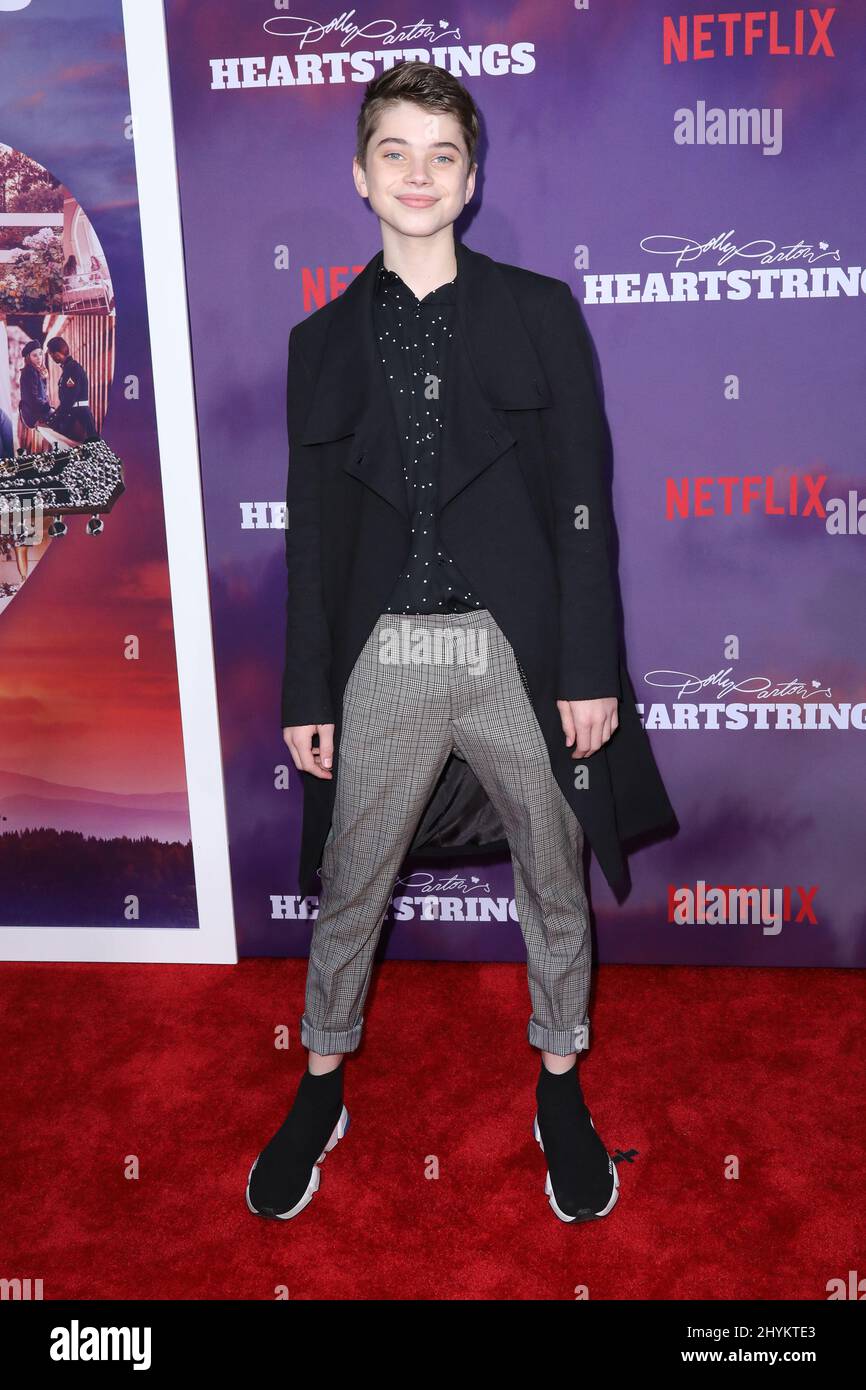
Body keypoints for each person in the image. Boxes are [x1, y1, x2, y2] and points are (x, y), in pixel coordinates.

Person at [246, 61, 677, 1225]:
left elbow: (584, 506)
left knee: (554, 873)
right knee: (350, 885)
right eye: (395, 151)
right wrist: (306, 687)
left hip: (515, 645)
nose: (419, 173)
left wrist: (587, 669)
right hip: (382, 652)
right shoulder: (317, 345)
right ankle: (320, 1082)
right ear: (359, 174)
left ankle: (558, 1084)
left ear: (471, 178)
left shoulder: (538, 313)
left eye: (442, 154)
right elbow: (314, 539)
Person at [45, 337, 98, 442]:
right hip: (75, 413)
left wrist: (56, 417)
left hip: (80, 416)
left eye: (51, 355)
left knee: (90, 449)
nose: (52, 358)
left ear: (57, 354)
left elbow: (70, 398)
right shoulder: (68, 368)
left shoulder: (72, 368)